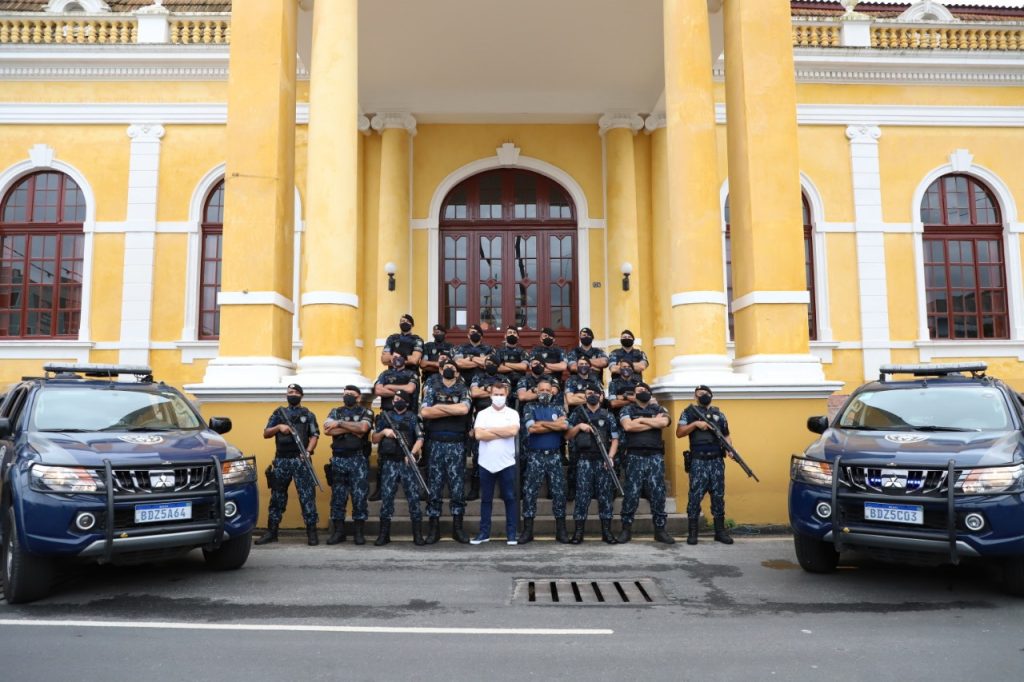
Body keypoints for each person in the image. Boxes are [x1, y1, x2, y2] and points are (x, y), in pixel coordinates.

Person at [256, 384, 320, 546]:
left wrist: (308, 451)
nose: (292, 394)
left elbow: (314, 435)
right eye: (289, 392)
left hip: (301, 460)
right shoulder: (279, 413)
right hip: (281, 460)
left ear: (301, 395)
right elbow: (265, 433)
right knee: (277, 497)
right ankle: (272, 531)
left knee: (307, 497)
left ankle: (312, 532)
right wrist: (279, 427)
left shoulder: (308, 415)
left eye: (295, 392)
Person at [420, 358, 472, 544]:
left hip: (456, 444)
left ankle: (458, 529)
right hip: (435, 444)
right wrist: (451, 409)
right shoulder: (432, 388)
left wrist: (439, 408)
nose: (449, 369)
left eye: (453, 367)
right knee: (434, 487)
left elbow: (464, 410)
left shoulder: (463, 389)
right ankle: (434, 530)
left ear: (457, 372)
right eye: (445, 367)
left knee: (457, 488)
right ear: (440, 370)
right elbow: (425, 412)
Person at [617, 382, 675, 544]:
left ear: (650, 393)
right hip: (634, 456)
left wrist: (641, 421)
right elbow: (628, 426)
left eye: (645, 390)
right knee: (631, 494)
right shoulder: (627, 409)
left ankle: (660, 531)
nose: (642, 392)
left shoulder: (660, 409)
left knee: (658, 494)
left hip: (655, 457)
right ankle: (626, 530)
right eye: (638, 391)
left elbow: (663, 423)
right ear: (634, 395)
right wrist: (650, 422)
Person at [676, 385, 734, 545]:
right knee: (695, 497)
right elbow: (679, 432)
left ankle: (720, 532)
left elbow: (727, 435)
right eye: (699, 394)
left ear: (711, 395)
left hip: (716, 461)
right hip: (698, 461)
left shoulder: (720, 415)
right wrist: (695, 425)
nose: (702, 396)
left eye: (705, 393)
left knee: (718, 496)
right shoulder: (688, 413)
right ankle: (693, 533)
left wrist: (730, 449)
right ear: (695, 397)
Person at [371, 389, 426, 546]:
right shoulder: (384, 417)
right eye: (395, 398)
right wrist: (384, 432)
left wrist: (412, 453)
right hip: (389, 463)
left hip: (407, 463)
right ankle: (384, 534)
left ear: (407, 402)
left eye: (400, 398)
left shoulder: (413, 418)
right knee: (387, 498)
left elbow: (420, 439)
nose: (396, 400)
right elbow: (374, 439)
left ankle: (417, 534)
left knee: (413, 498)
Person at [565, 385, 620, 544]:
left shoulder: (607, 416)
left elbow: (615, 439)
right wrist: (578, 427)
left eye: (595, 393)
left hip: (603, 461)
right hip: (584, 461)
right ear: (585, 396)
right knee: (582, 496)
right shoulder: (577, 414)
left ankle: (607, 532)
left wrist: (610, 457)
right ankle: (578, 533)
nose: (593, 396)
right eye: (589, 393)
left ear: (601, 396)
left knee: (605, 496)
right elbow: (567, 436)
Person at [470, 381, 521, 545]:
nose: (498, 397)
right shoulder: (482, 414)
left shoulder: (513, 413)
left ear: (506, 395)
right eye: (496, 394)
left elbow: (513, 431)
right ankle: (484, 533)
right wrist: (502, 432)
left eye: (501, 394)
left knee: (510, 498)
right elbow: (478, 435)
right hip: (486, 463)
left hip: (506, 463)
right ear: (491, 395)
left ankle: (511, 534)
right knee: (486, 499)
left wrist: (490, 430)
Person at [519, 379, 569, 544]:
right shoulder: (529, 407)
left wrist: (543, 424)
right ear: (536, 391)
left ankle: (561, 531)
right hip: (535, 456)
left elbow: (564, 426)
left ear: (553, 391)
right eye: (542, 390)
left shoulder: (558, 407)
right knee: (530, 493)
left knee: (559, 493)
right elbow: (532, 428)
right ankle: (528, 531)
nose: (545, 392)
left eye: (548, 390)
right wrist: (554, 424)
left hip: (554, 456)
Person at [322, 385, 373, 545]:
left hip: (358, 459)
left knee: (359, 497)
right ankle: (339, 532)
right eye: (345, 394)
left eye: (350, 394)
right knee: (338, 497)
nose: (347, 396)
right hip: (339, 459)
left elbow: (363, 428)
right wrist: (352, 429)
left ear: (358, 397)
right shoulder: (335, 412)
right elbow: (327, 431)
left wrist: (340, 425)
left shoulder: (366, 412)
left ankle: (359, 533)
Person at [370, 352, 419, 501]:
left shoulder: (412, 373)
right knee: (384, 454)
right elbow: (378, 390)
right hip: (386, 415)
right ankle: (380, 488)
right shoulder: (385, 373)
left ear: (405, 359)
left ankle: (413, 489)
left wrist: (389, 387)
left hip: (406, 415)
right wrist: (399, 391)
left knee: (407, 450)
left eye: (400, 356)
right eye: (394, 356)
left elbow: (410, 390)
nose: (396, 358)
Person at [467, 354, 503, 501]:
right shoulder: (477, 377)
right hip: (481, 422)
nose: (489, 364)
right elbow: (474, 393)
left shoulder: (503, 379)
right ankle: (475, 489)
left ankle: (503, 489)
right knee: (478, 456)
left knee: (500, 456)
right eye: (487, 362)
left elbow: (503, 395)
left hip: (500, 423)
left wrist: (486, 390)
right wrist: (492, 391)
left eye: (492, 362)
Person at [495, 325, 528, 409]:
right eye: (510, 333)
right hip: (503, 385)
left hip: (520, 386)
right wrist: (517, 366)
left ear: (518, 336)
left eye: (514, 333)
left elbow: (524, 367)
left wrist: (505, 364)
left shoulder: (522, 352)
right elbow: (498, 368)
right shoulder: (498, 351)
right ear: (505, 336)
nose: (512, 334)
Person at [421, 323, 453, 388]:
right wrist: (438, 365)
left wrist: (430, 365)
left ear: (444, 333)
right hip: (429, 380)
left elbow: (453, 366)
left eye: (439, 332)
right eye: (435, 332)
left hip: (446, 382)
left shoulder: (451, 347)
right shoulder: (427, 346)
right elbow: (423, 365)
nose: (436, 334)